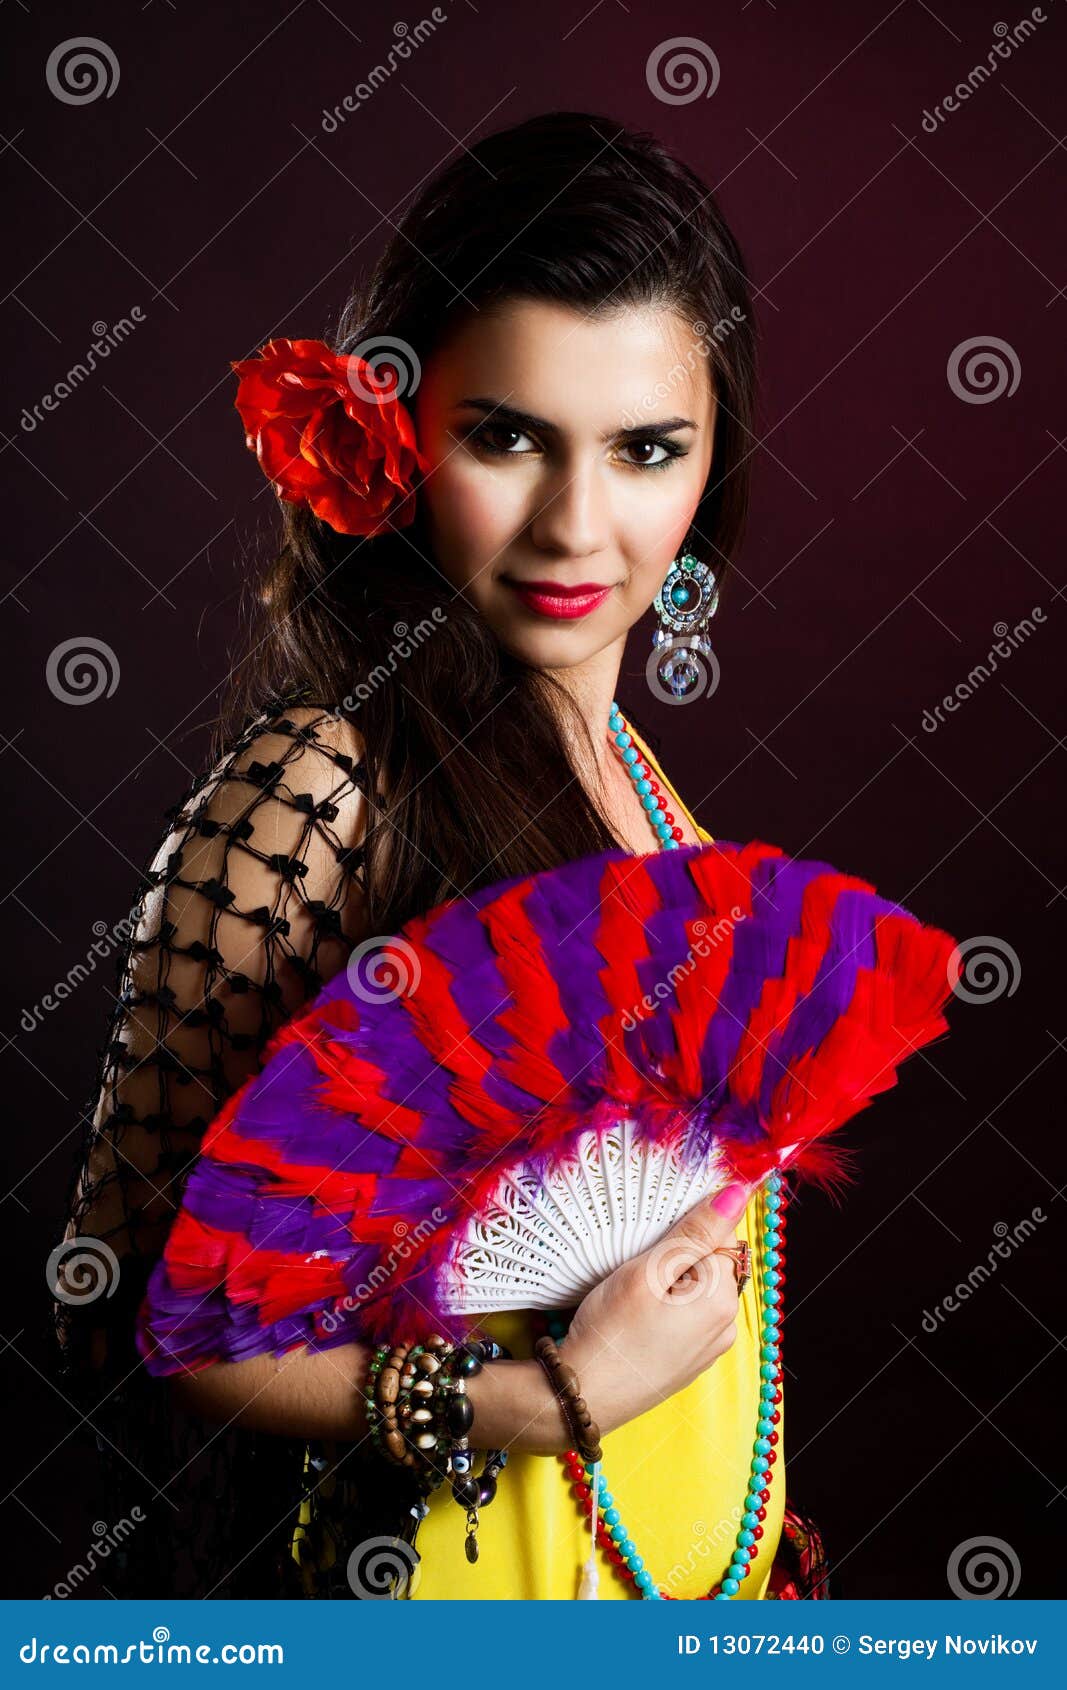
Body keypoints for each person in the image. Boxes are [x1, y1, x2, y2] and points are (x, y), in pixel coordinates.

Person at [57, 110, 827, 1600]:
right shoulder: (319, 796)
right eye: (508, 436)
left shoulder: (657, 798)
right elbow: (125, 1302)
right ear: (399, 429)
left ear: (714, 459)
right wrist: (532, 1405)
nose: (578, 527)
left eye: (647, 449)